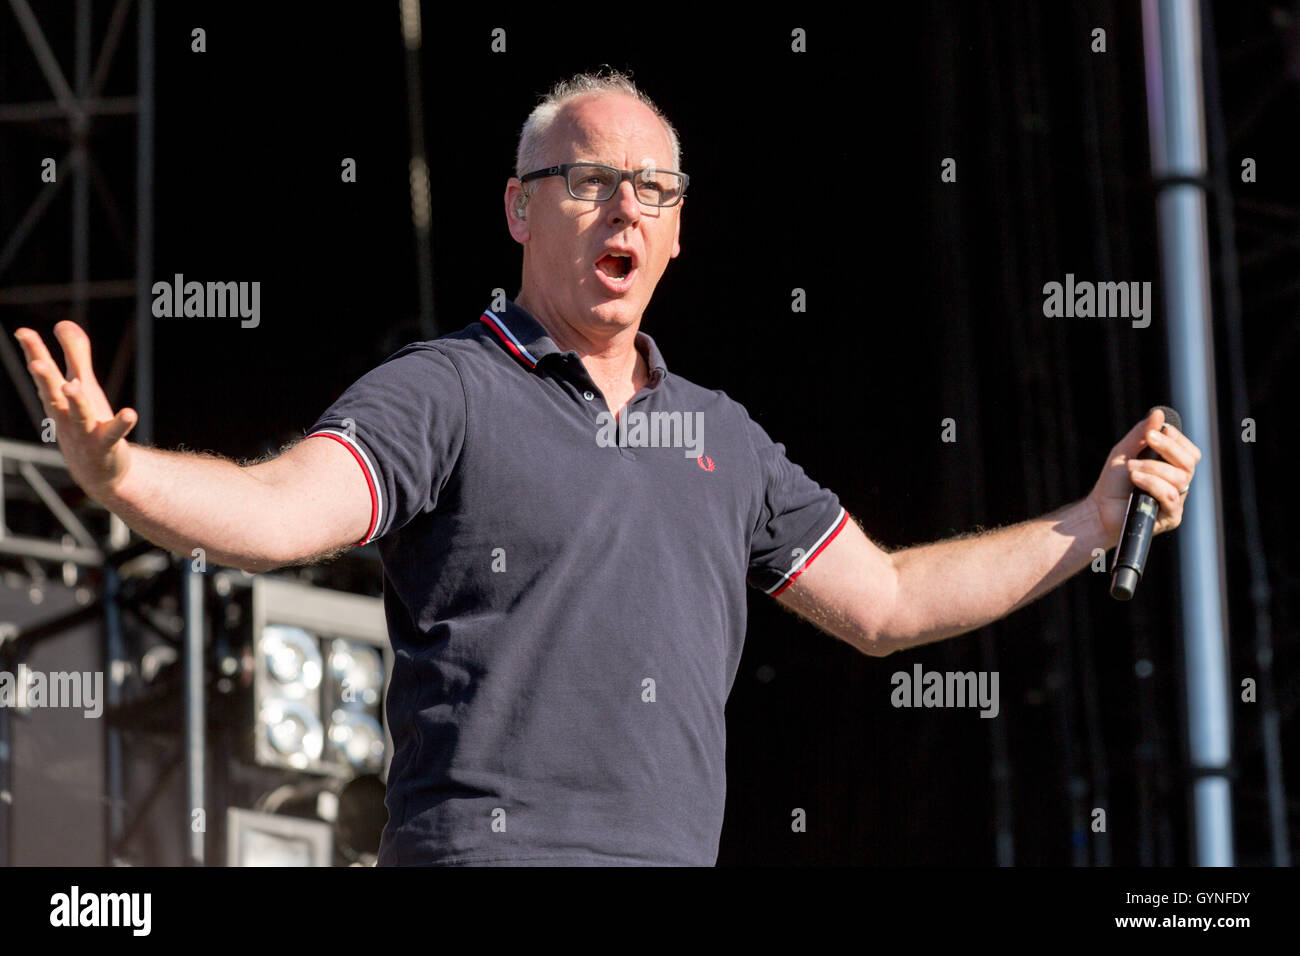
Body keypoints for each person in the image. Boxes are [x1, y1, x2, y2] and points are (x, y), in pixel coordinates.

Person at [13, 70, 1202, 866]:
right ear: (521, 210)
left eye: (652, 189)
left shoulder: (723, 438)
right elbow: (281, 509)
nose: (620, 209)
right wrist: (124, 481)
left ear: (679, 228)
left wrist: (1093, 519)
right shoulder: (448, 389)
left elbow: (886, 603)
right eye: (585, 182)